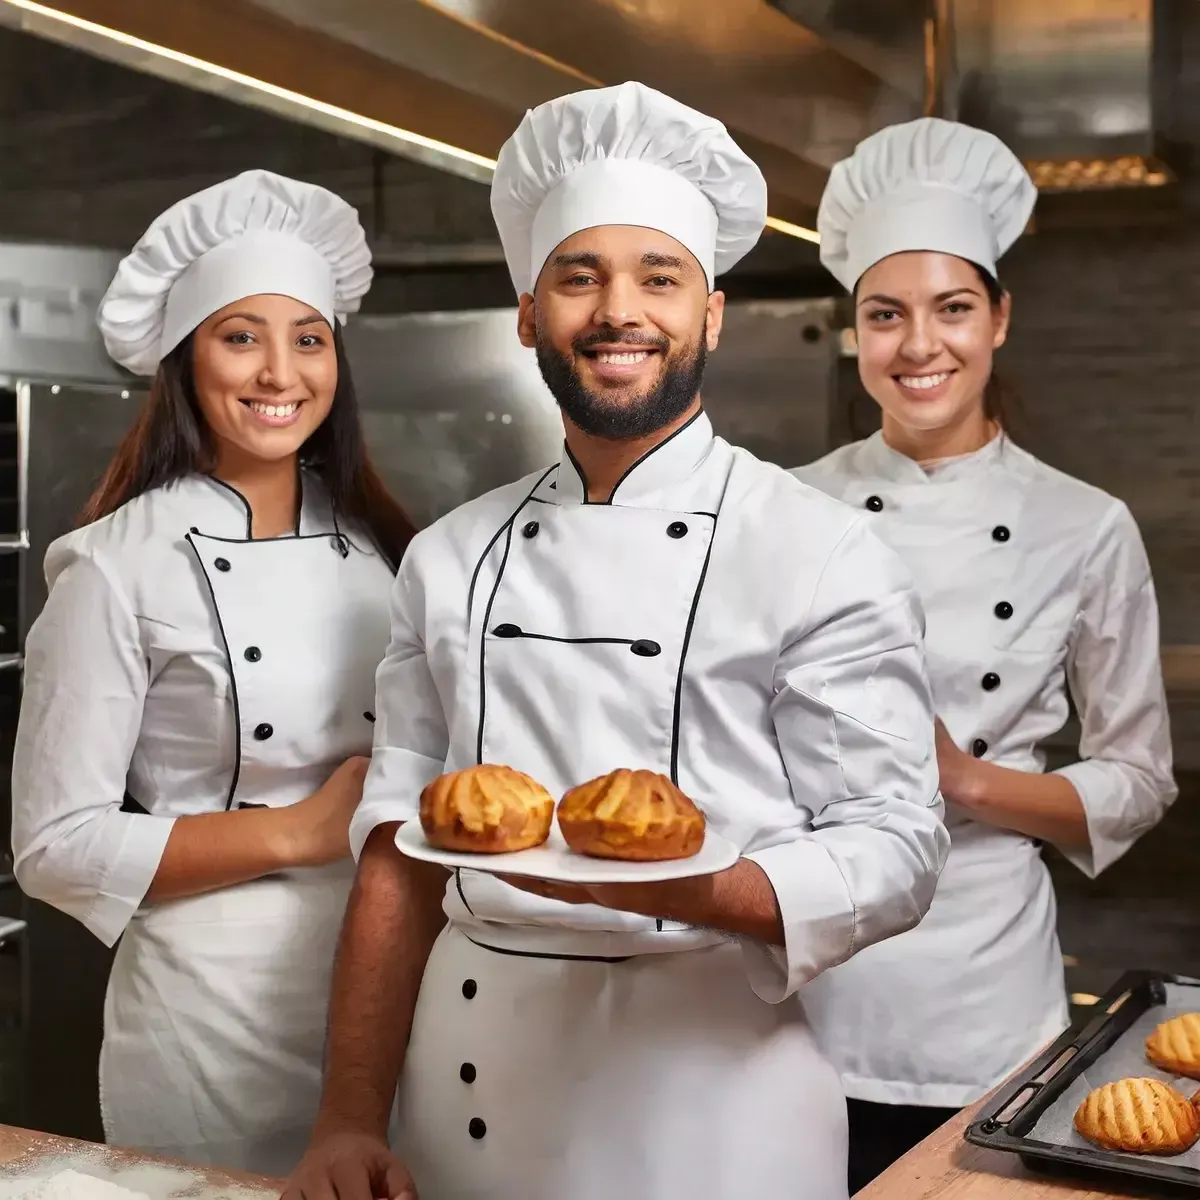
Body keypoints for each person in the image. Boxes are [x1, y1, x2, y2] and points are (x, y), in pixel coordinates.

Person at [282, 82, 949, 1200]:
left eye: (659, 277)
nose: (617, 311)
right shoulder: (449, 556)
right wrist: (346, 1115)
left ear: (714, 313)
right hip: (469, 1090)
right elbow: (397, 848)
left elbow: (896, 847)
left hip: (714, 1099)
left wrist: (676, 887)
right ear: (529, 315)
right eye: (579, 276)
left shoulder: (821, 550)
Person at [791, 117, 1178, 1191]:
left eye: (952, 308)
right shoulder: (783, 509)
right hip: (797, 976)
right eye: (886, 315)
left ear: (999, 319)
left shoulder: (1084, 525)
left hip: (981, 992)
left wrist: (964, 778)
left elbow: (1140, 777)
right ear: (855, 329)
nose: (921, 346)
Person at [11, 169, 416, 1176]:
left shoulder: (384, 547)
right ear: (187, 361)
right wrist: (299, 829)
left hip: (395, 985)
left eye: (308, 339)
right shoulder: (116, 564)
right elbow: (55, 845)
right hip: (211, 1012)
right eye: (241, 337)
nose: (280, 373)